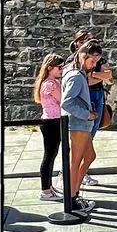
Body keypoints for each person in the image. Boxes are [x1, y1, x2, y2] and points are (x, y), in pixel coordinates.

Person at [61, 39, 103, 213]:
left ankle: (74, 193)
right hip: (78, 124)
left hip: (81, 123)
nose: (94, 65)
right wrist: (87, 114)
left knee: (89, 156)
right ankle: (71, 198)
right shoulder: (76, 76)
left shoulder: (75, 72)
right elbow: (66, 102)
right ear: (84, 56)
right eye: (92, 61)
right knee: (75, 161)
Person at [33, 52, 64, 201]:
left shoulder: (50, 82)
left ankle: (49, 187)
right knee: (49, 156)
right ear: (50, 67)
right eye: (59, 67)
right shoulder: (50, 84)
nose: (61, 70)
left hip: (53, 121)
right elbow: (63, 99)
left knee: (52, 155)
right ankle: (45, 190)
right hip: (51, 122)